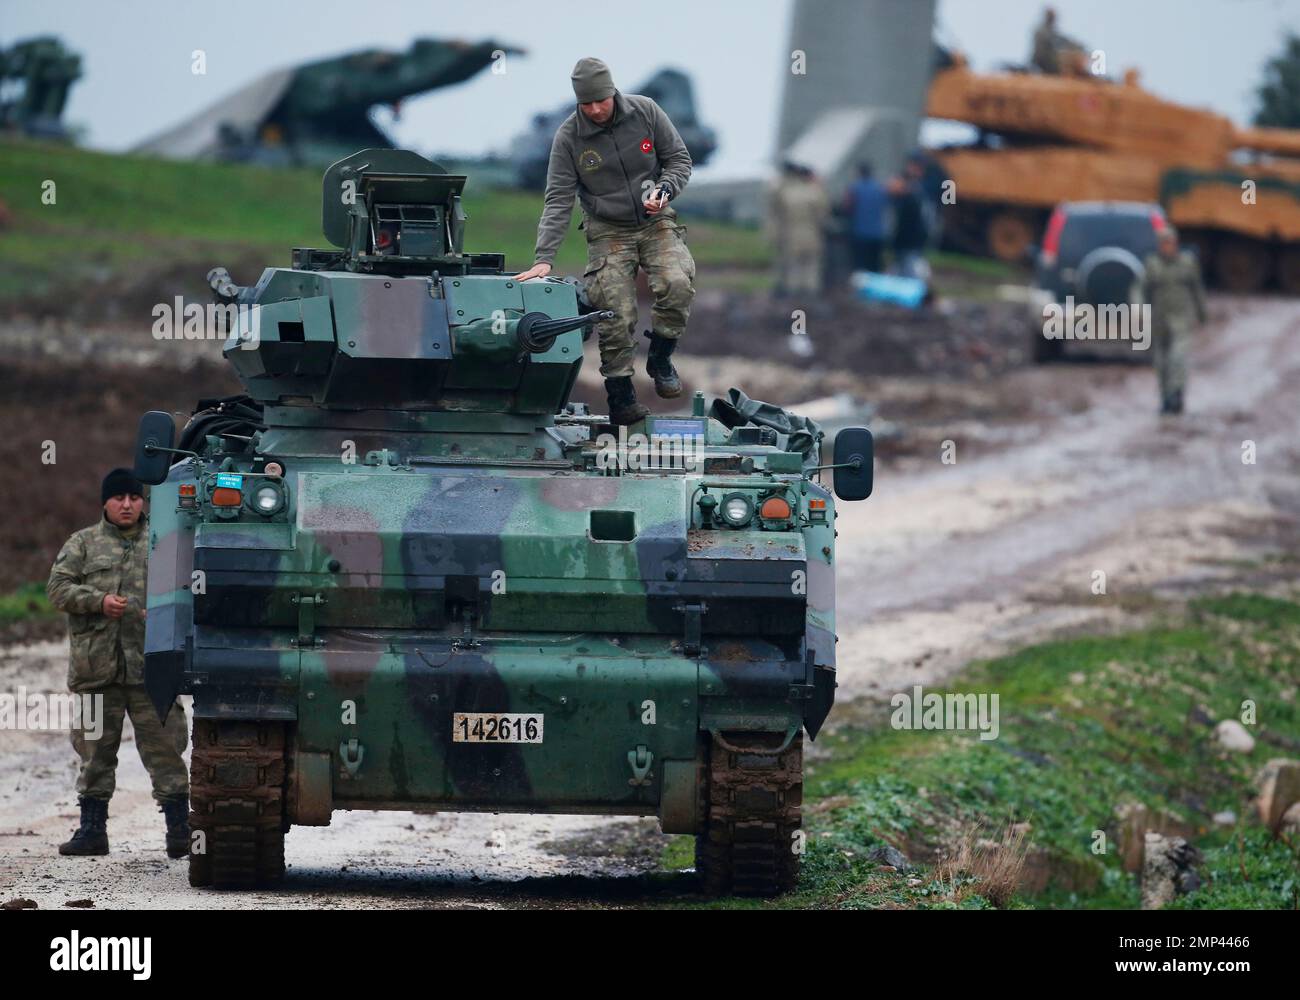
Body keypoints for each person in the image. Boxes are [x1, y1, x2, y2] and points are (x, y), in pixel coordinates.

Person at [513, 57, 696, 426]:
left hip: (655, 220)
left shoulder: (646, 112)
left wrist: (664, 189)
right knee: (614, 310)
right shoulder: (569, 137)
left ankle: (660, 358)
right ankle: (621, 395)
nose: (595, 110)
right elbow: (559, 198)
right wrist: (544, 258)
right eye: (586, 104)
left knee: (677, 282)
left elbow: (679, 160)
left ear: (613, 92)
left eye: (601, 100)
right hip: (607, 230)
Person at [46, 468, 190, 858]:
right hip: (97, 672)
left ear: (144, 502)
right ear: (105, 503)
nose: (127, 505)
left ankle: (181, 832)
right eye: (118, 498)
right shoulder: (83, 544)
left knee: (166, 751)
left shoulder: (163, 542)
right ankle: (92, 832)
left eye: (134, 497)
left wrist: (161, 614)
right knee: (94, 753)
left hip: (151, 669)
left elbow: (190, 591)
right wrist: (99, 601)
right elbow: (58, 589)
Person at [1133, 226, 1207, 414]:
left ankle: (1176, 392)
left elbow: (1197, 290)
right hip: (1159, 321)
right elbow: (1139, 289)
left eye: (1170, 243)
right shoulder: (1152, 265)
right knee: (1161, 361)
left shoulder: (1187, 263)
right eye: (1164, 244)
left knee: (1178, 357)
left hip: (1181, 319)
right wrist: (1138, 309)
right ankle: (1166, 397)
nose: (1168, 247)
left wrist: (1202, 314)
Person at [766, 161, 831, 297]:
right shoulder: (815, 192)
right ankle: (809, 292)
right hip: (811, 231)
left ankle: (792, 292)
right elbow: (823, 214)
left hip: (791, 231)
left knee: (793, 264)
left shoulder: (786, 192)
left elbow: (777, 210)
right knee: (811, 265)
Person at [843, 162, 887, 273]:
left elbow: (847, 207)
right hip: (877, 234)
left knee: (860, 269)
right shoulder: (880, 188)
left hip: (860, 234)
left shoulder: (854, 188)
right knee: (874, 268)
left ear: (859, 173)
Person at [889, 160, 929, 281]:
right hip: (909, 243)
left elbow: (906, 225)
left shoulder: (910, 199)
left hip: (908, 244)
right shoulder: (914, 196)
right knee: (904, 271)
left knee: (909, 272)